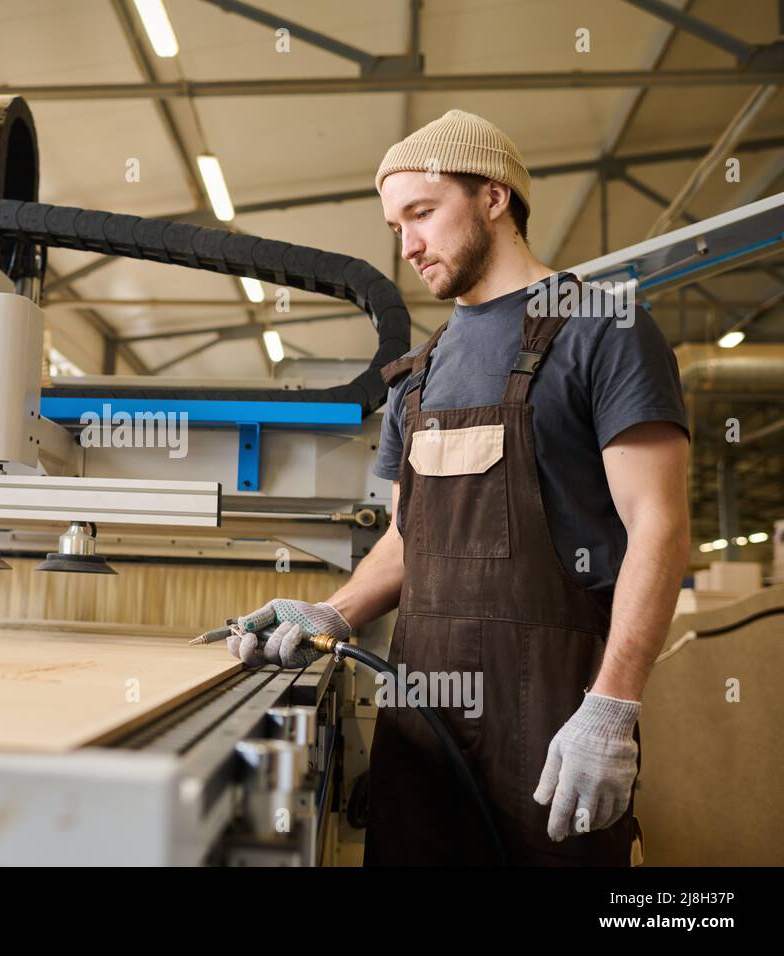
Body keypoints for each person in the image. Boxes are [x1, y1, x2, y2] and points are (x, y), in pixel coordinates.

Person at [228, 110, 690, 865]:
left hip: (554, 727)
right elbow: (410, 538)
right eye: (395, 223)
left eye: (422, 213)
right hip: (422, 725)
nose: (407, 245)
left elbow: (660, 530)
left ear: (495, 198)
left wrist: (611, 708)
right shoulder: (420, 371)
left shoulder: (602, 329)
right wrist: (331, 611)